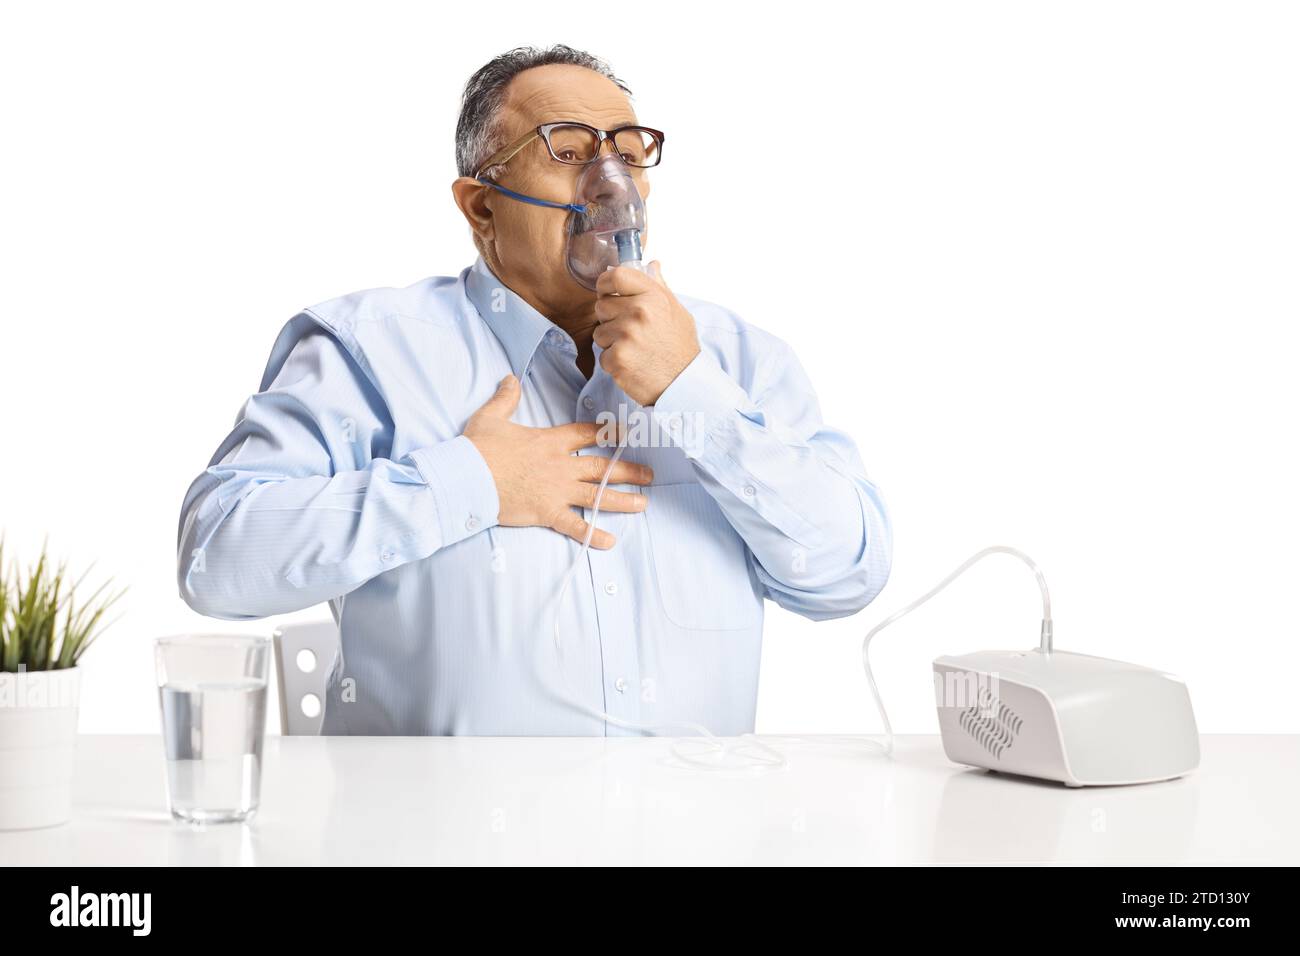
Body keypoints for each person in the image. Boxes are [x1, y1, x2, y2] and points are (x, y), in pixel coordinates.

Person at [177, 45, 892, 735]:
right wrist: (468, 484)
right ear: (482, 208)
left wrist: (690, 392)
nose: (610, 183)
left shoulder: (738, 360)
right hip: (432, 818)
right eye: (568, 151)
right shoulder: (367, 350)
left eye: (628, 151)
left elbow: (847, 575)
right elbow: (217, 556)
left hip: (693, 815)